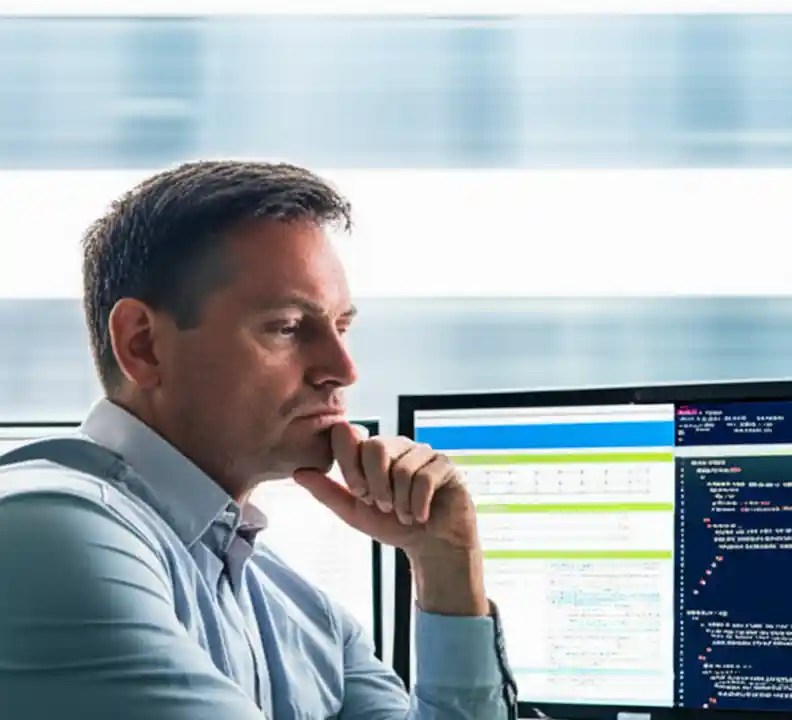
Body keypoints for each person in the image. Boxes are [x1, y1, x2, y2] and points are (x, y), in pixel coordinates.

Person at [0, 161, 517, 718]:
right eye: (289, 327)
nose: (343, 370)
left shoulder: (302, 612)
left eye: (341, 327)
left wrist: (446, 560)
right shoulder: (46, 533)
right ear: (143, 345)